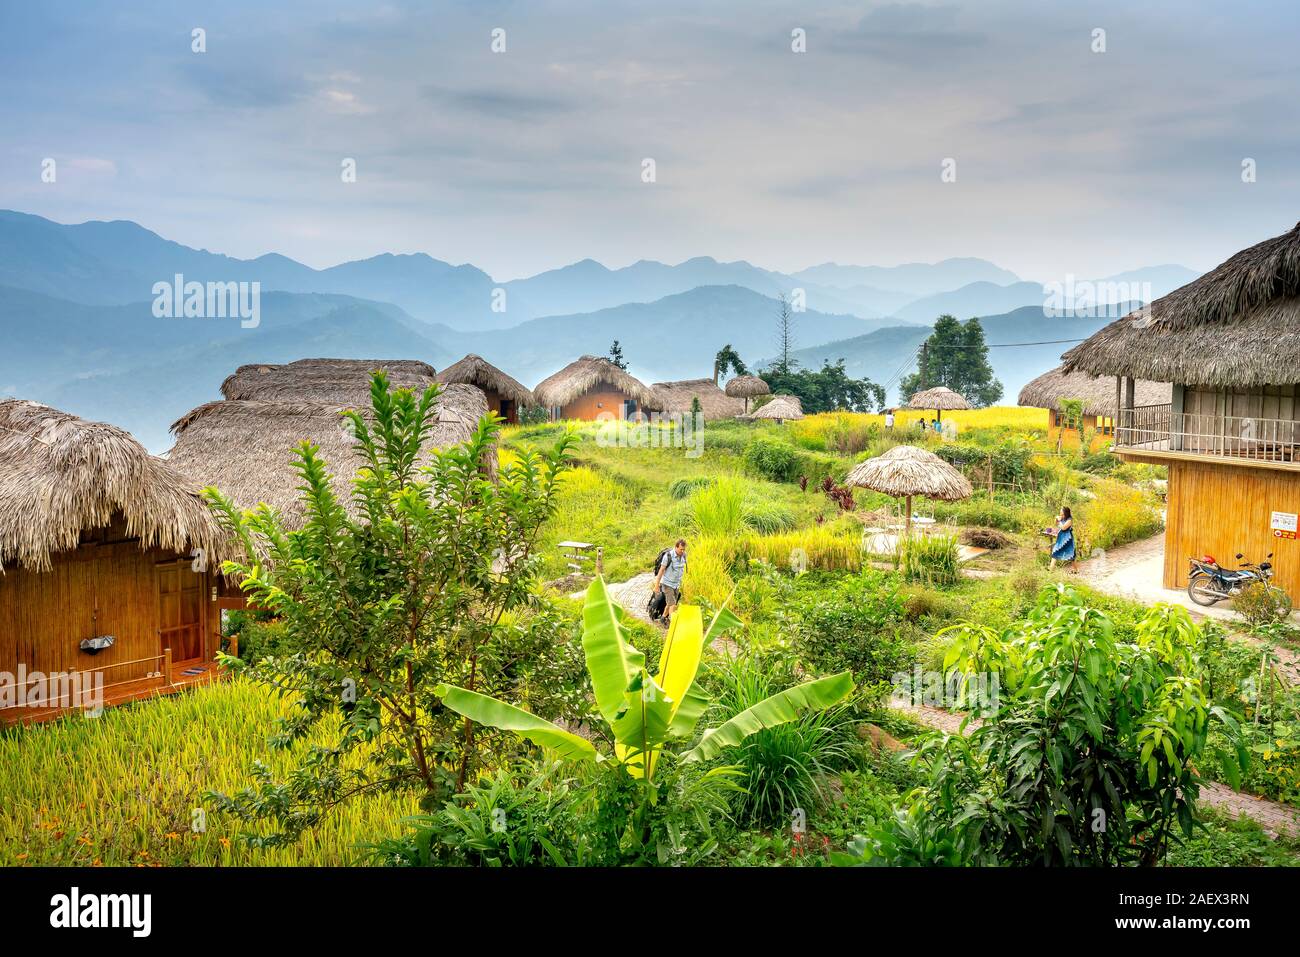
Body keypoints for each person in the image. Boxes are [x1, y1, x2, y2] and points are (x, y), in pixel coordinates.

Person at [654, 538, 688, 626]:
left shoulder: (684, 555)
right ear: (676, 547)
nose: (682, 551)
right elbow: (661, 571)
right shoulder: (668, 556)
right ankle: (673, 625)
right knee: (673, 605)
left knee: (670, 604)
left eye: (684, 549)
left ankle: (663, 618)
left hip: (676, 585)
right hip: (667, 584)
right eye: (681, 549)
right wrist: (657, 585)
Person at [1049, 506, 1078, 572]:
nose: (1061, 514)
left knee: (1071, 554)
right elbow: (1056, 524)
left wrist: (1059, 521)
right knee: (1055, 552)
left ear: (1066, 513)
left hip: (1067, 539)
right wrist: (1056, 519)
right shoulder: (1062, 518)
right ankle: (1051, 569)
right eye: (1060, 513)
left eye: (1062, 513)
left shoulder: (1069, 520)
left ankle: (1075, 570)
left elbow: (1063, 528)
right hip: (1061, 538)